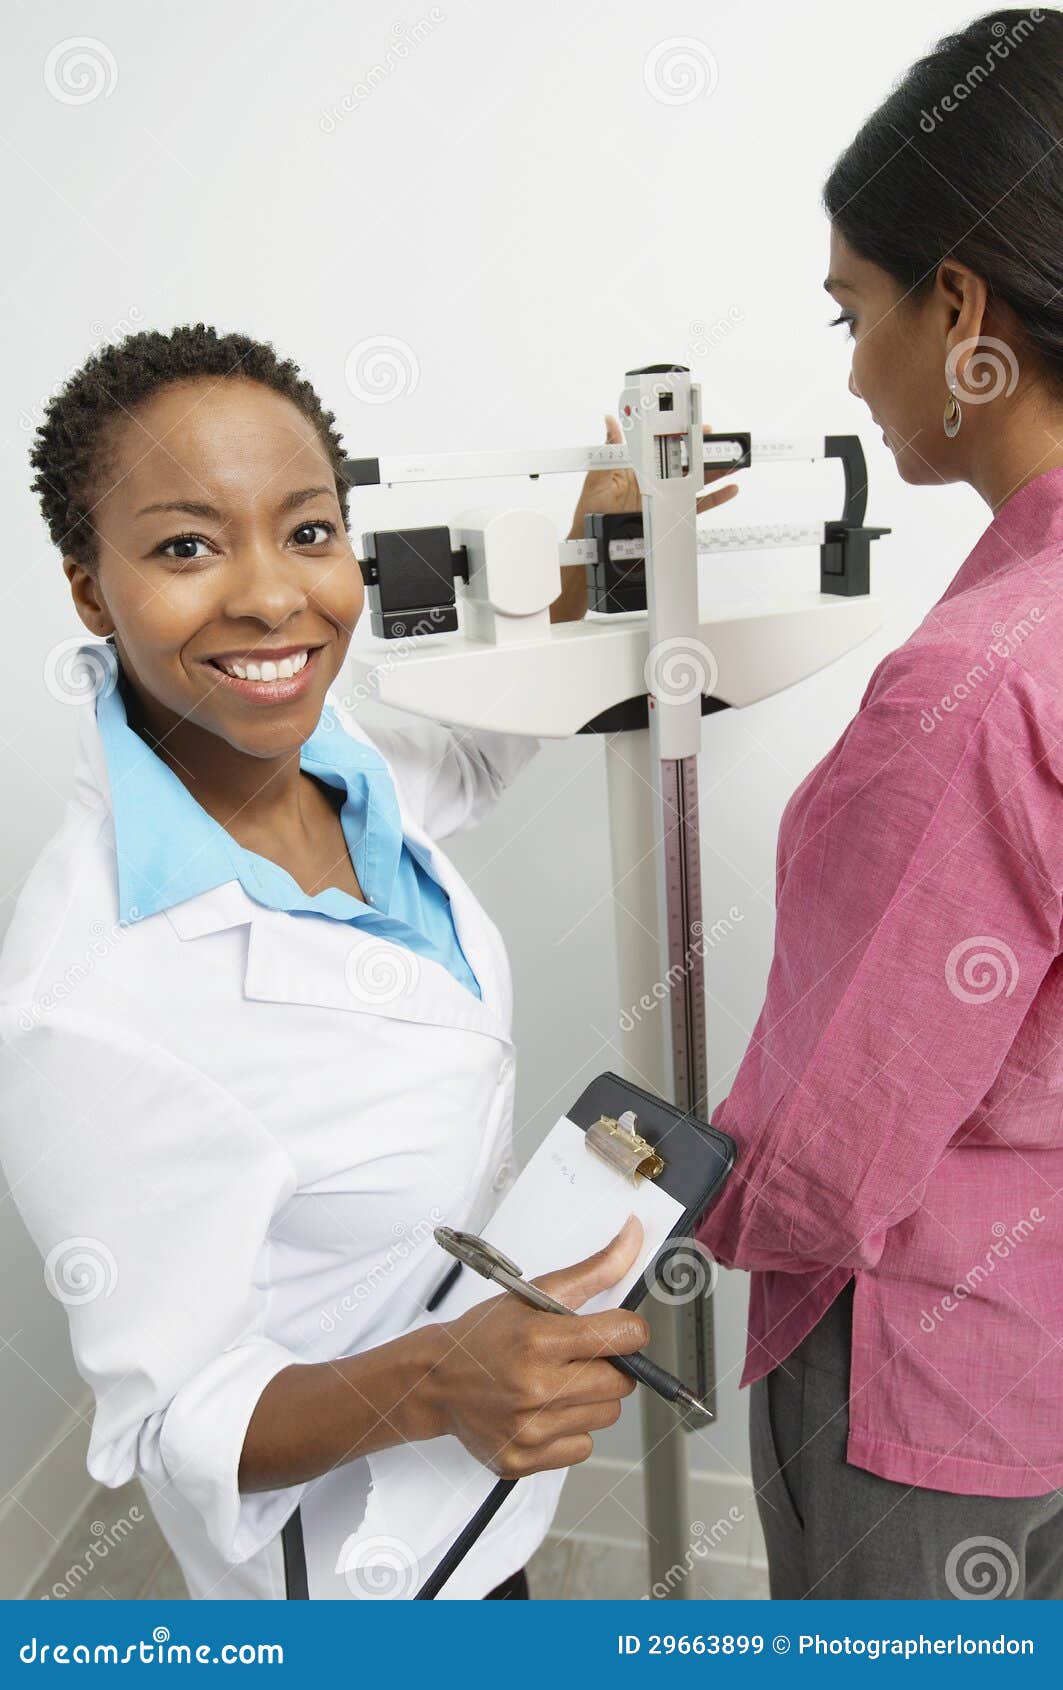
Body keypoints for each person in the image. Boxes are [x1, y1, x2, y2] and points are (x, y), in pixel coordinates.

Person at [0, 324, 737, 1601]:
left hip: (482, 1478)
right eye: (185, 545)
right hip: (354, 1575)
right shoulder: (87, 1006)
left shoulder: (327, 749)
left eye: (307, 531)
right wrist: (440, 1378)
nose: (273, 597)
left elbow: (473, 750)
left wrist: (592, 551)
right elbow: (172, 1425)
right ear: (86, 584)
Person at [565, 7, 1063, 1602]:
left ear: (960, 309)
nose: (849, 369)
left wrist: (602, 1215)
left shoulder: (971, 688)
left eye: (854, 312)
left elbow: (830, 1158)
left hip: (937, 1395)